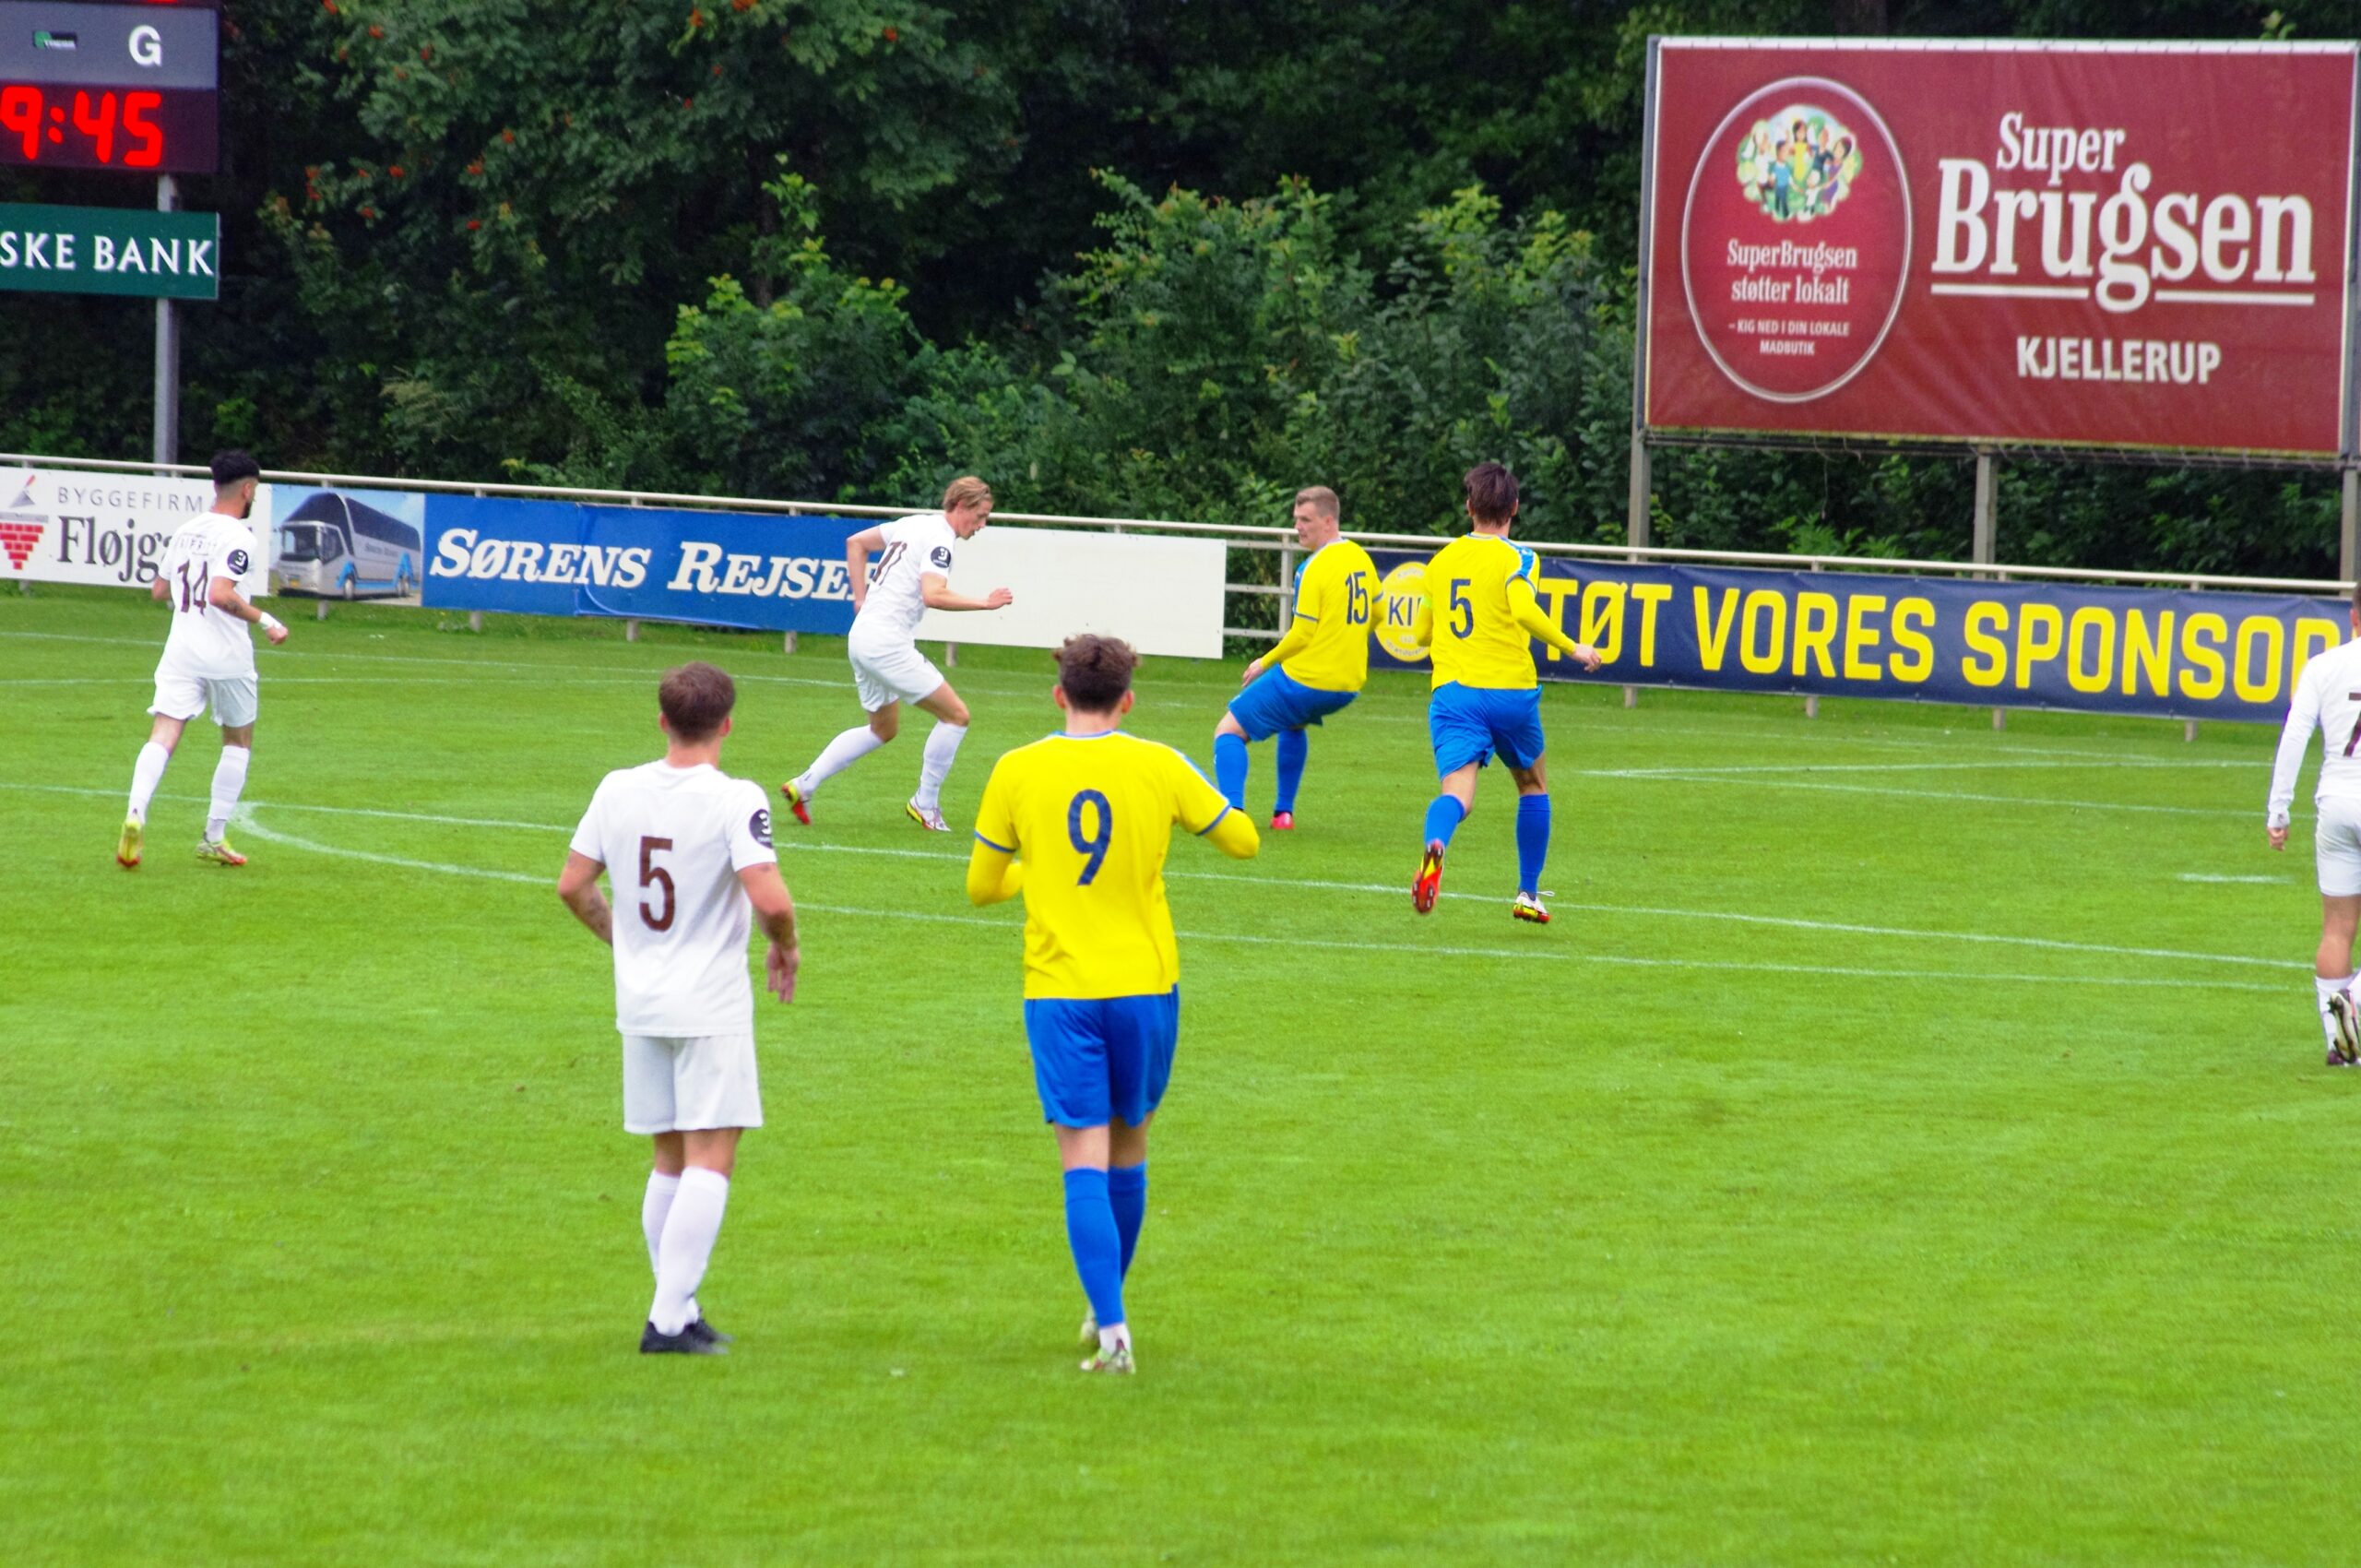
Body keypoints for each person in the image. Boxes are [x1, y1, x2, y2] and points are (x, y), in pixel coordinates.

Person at [966, 635, 1261, 1373]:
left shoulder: (1017, 769)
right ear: (1128, 699)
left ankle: (1114, 1326)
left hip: (1061, 991)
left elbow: (980, 885)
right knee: (1129, 1153)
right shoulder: (1158, 763)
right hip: (1146, 987)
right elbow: (1244, 841)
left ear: (1059, 695)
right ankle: (1107, 1310)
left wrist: (1038, 871)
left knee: (1082, 1163)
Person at [559, 662, 801, 1353]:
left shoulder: (617, 788)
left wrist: (622, 938)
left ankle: (679, 1305)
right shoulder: (734, 798)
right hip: (709, 1003)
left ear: (662, 720)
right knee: (711, 1155)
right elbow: (771, 897)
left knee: (669, 1158)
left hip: (641, 999)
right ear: (727, 724)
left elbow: (574, 884)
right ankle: (666, 1320)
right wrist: (785, 945)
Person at [1407, 462, 1601, 924]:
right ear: (1514, 508)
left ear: (1469, 506)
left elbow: (1419, 635)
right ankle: (1527, 893)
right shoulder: (1520, 557)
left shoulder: (1440, 563)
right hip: (1509, 693)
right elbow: (1521, 607)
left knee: (1457, 794)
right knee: (1532, 785)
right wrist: (1573, 647)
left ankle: (1437, 846)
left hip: (1455, 693)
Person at [781, 476, 1014, 831]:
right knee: (956, 716)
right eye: (980, 516)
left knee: (882, 729)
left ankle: (805, 784)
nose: (982, 525)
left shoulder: (914, 524)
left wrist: (860, 598)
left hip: (862, 638)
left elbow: (856, 543)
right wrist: (985, 602)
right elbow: (933, 594)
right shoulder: (941, 540)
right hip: (887, 643)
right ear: (962, 506)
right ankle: (926, 803)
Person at [117, 450, 288, 870]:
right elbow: (221, 594)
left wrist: (190, 606)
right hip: (226, 654)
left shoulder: (186, 530)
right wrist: (267, 619)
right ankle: (213, 835)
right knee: (237, 740)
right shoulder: (239, 536)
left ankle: (135, 813)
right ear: (248, 489)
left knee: (163, 733)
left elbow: (160, 590)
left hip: (181, 650)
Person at [1212, 485, 1381, 828]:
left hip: (1307, 679)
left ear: (1328, 520)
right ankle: (1283, 813)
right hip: (1347, 685)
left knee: (1227, 731)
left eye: (1306, 520)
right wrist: (1346, 638)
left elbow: (1302, 633)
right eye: (1296, 520)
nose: (1298, 527)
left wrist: (1265, 661)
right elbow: (1377, 613)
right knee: (1293, 723)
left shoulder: (1313, 568)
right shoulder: (1360, 557)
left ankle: (1233, 816)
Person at [2265, 586, 2361, 1066]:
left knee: (2338, 928)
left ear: (2353, 616)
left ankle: (2339, 1043)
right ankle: (2355, 1006)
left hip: (2336, 803)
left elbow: (2295, 734)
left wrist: (2278, 809)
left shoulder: (2323, 666)